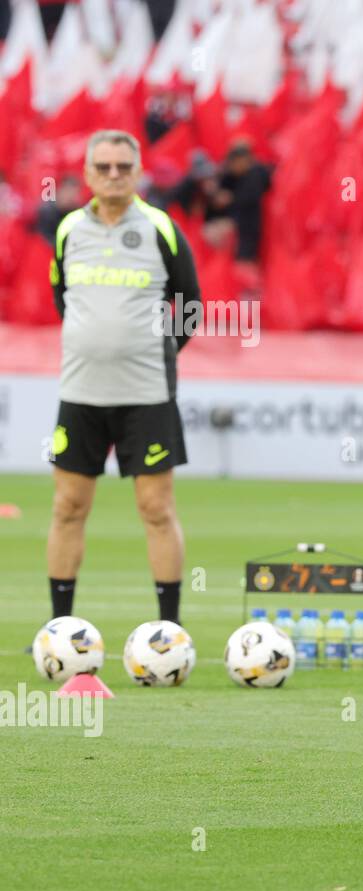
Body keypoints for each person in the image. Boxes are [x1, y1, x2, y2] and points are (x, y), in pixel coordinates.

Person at [47, 130, 202, 627]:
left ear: (138, 174)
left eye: (123, 167)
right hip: (81, 391)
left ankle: (170, 630)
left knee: (156, 508)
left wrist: (152, 351)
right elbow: (61, 298)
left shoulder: (161, 228)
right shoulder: (69, 229)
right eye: (103, 166)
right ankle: (61, 627)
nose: (113, 175)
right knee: (68, 506)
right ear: (88, 173)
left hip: (146, 393)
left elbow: (190, 306)